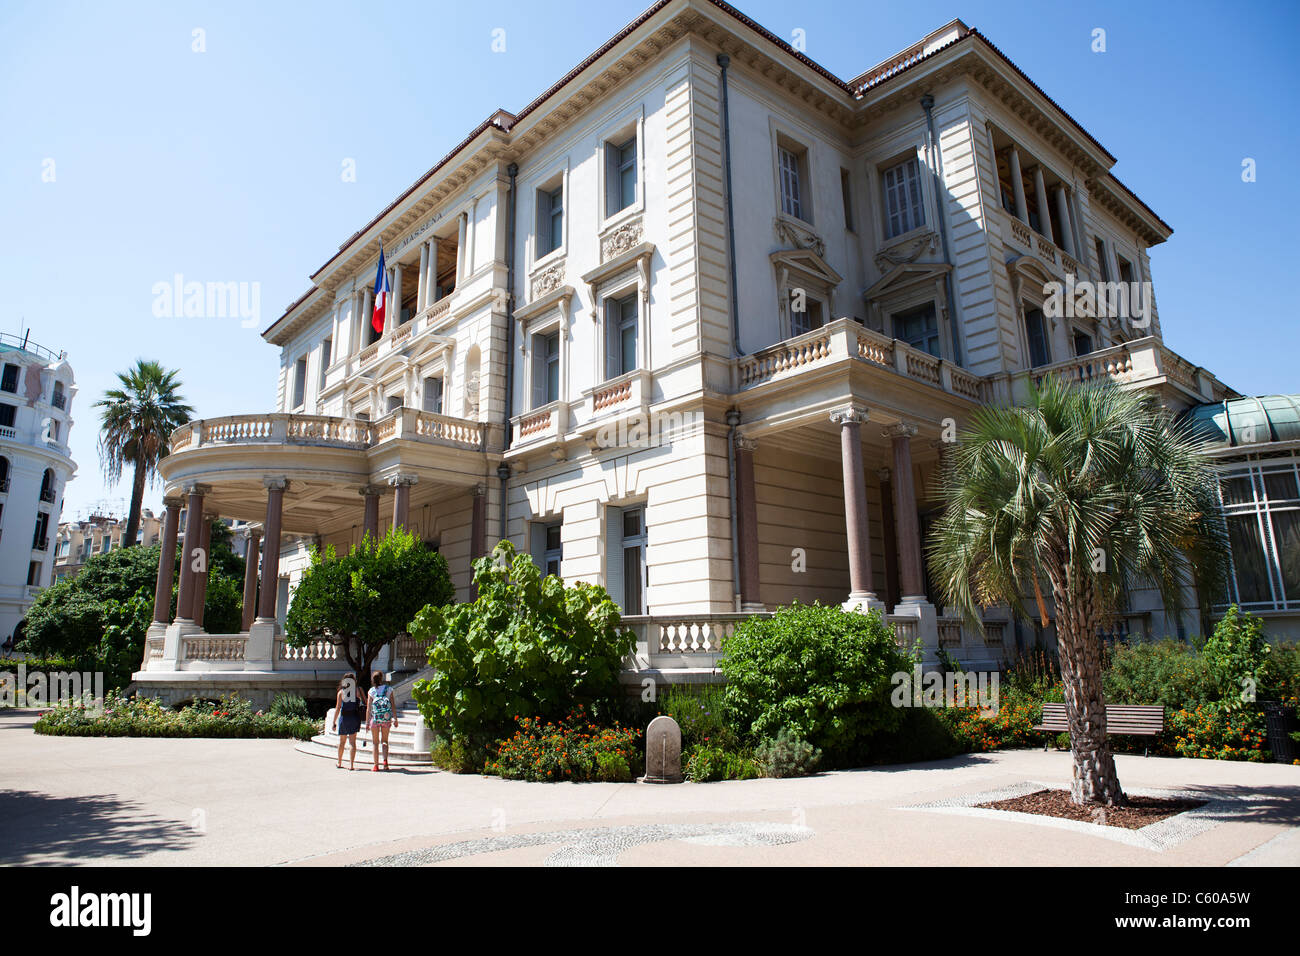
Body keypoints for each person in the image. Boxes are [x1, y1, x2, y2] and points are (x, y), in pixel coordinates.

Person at [366, 669, 398, 771]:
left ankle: (376, 765)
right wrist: (395, 718)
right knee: (385, 741)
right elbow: (393, 705)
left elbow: (368, 708)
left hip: (375, 719)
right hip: (386, 718)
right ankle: (385, 762)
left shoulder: (371, 691)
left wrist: (367, 722)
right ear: (382, 678)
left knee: (375, 743)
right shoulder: (389, 689)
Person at [333, 672, 363, 770]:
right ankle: (351, 765)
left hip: (344, 717)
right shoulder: (358, 690)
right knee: (352, 742)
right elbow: (365, 702)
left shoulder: (341, 692)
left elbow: (338, 708)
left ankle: (339, 762)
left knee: (342, 742)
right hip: (354, 716)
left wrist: (334, 722)